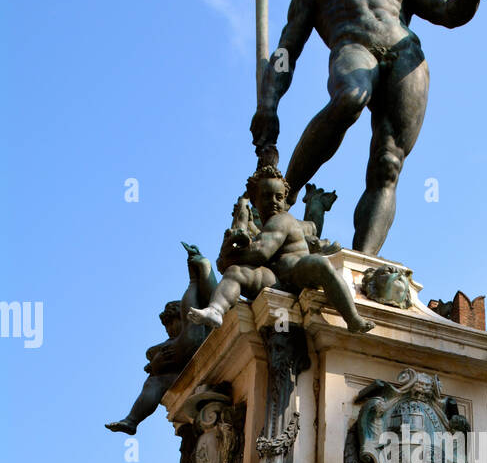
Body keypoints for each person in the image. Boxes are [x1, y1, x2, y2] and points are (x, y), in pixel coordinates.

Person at [250, 0, 487, 256]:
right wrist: (269, 103)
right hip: (352, 46)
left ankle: (364, 262)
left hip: (406, 55)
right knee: (351, 96)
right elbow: (286, 52)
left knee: (388, 162)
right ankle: (285, 194)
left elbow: (448, 12)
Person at [188, 163, 372, 335]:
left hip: (298, 272)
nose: (274, 202)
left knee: (319, 263)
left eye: (279, 197)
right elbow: (237, 259)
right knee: (236, 272)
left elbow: (261, 252)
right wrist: (230, 256)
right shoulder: (259, 228)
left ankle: (352, 317)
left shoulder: (282, 219)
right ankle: (216, 310)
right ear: (255, 199)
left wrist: (230, 256)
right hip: (276, 279)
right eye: (267, 196)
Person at [105, 244, 216, 435]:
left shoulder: (193, 319)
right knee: (155, 382)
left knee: (192, 301)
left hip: (196, 346)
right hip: (189, 370)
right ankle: (131, 421)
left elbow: (152, 354)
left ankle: (131, 420)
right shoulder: (166, 344)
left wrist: (155, 362)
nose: (168, 329)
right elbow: (151, 355)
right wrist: (155, 363)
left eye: (171, 323)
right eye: (166, 326)